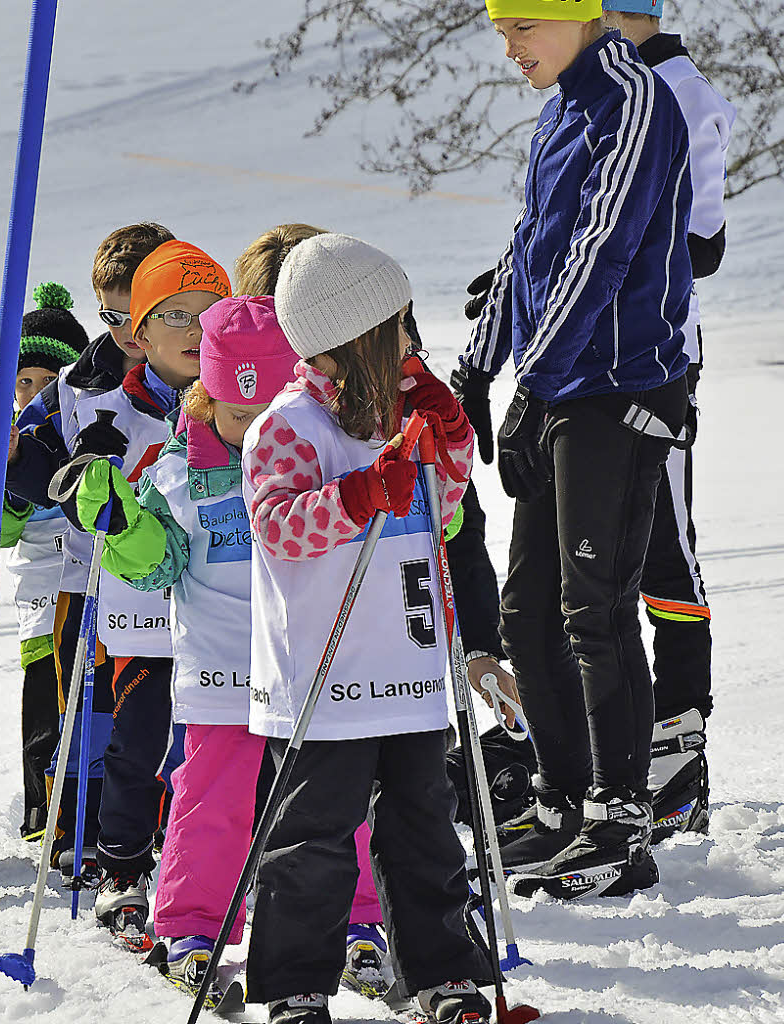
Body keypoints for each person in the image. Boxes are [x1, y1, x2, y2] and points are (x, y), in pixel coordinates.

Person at [460, 0, 693, 899]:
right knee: (527, 612)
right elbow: (531, 245)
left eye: (522, 27)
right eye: (499, 32)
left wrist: (533, 384)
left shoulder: (632, 102)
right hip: (561, 384)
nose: (508, 49)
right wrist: (479, 362)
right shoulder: (562, 105)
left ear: (575, 15)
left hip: (618, 389)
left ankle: (618, 826)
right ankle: (559, 801)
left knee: (595, 609)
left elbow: (601, 253)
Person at [241, 232, 492, 1024]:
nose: (412, 339)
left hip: (407, 663)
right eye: (398, 325)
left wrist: (451, 440)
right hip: (326, 675)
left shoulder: (402, 416)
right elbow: (276, 527)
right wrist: (355, 495)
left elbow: (441, 516)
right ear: (351, 340)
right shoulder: (288, 426)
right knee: (312, 838)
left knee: (425, 828)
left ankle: (442, 974)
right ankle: (294, 986)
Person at [59, 239, 230, 941]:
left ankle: (222, 865)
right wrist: (88, 485)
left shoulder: (248, 400)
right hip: (143, 614)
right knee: (140, 741)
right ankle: (123, 863)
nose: (193, 329)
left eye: (208, 312)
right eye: (175, 314)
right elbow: (77, 496)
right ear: (140, 329)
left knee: (219, 749)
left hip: (225, 609)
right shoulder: (106, 408)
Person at [601, 0, 735, 841]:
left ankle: (679, 748)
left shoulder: (680, 91)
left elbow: (702, 244)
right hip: (588, 366)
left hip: (654, 363)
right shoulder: (602, 91)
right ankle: (607, 754)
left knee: (662, 550)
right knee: (589, 564)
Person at [4, 222, 174, 877]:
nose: (127, 330)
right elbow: (37, 463)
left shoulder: (199, 369)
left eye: (139, 311)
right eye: (110, 315)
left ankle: (168, 827)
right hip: (91, 578)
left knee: (166, 713)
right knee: (88, 712)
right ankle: (80, 826)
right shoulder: (78, 382)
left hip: (178, 579)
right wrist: (15, 459)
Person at [0, 283, 89, 840]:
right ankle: (43, 812)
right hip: (39, 594)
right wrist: (10, 486)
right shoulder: (7, 442)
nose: (34, 394)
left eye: (48, 382)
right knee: (43, 703)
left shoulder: (83, 431)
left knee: (89, 703)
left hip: (88, 586)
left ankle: (87, 808)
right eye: (23, 382)